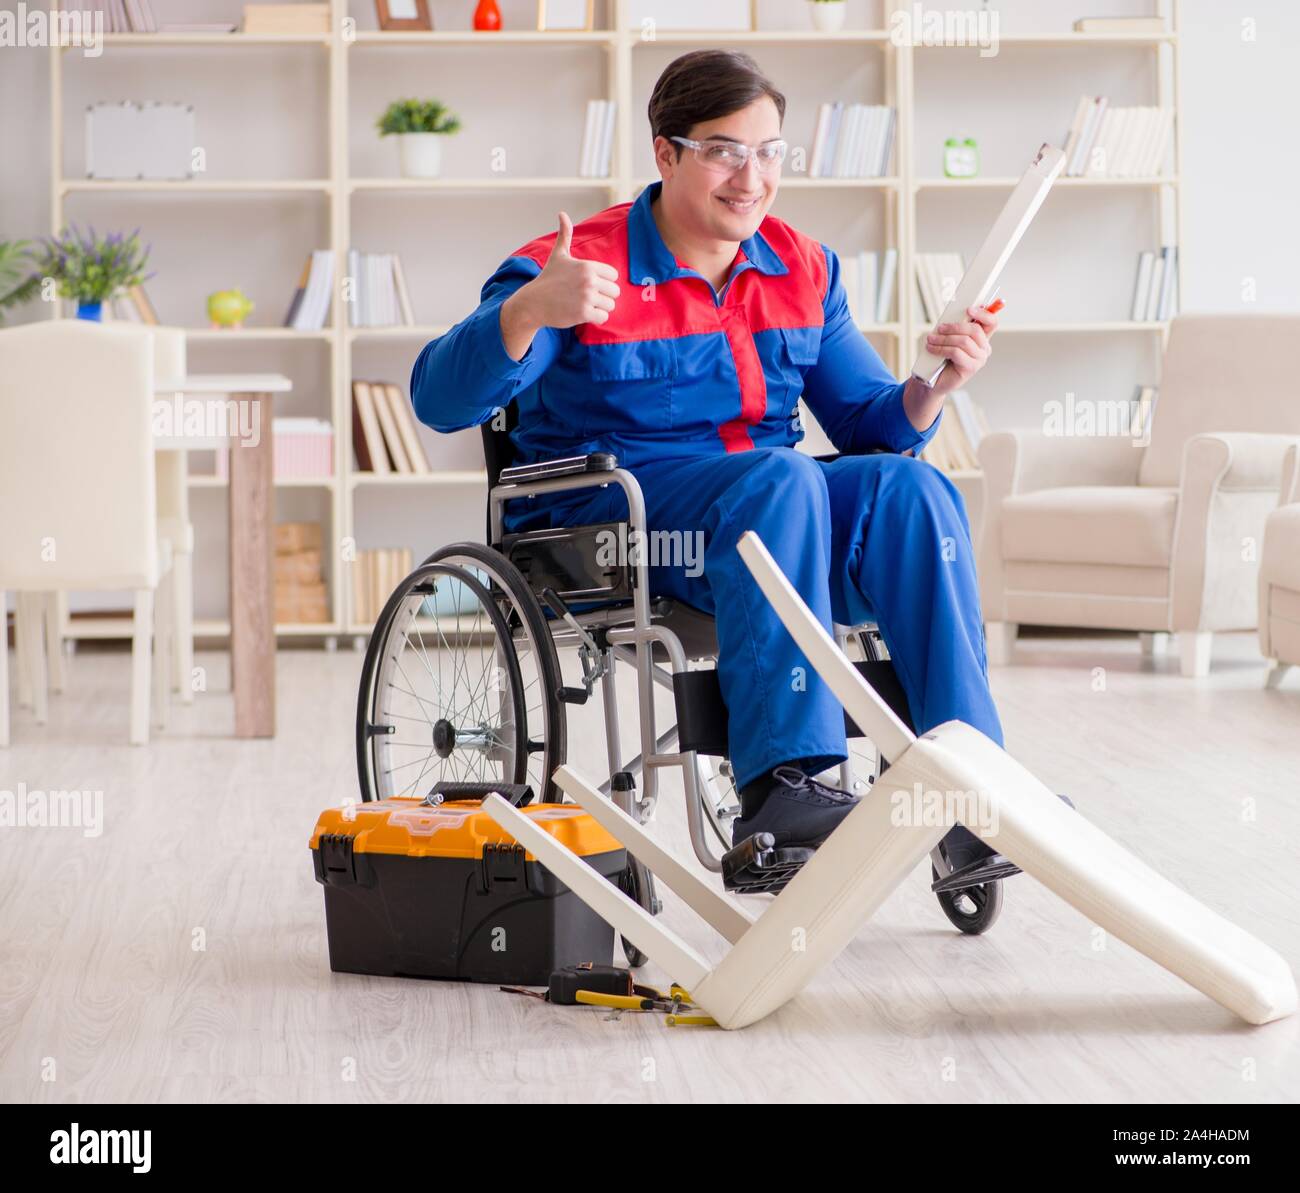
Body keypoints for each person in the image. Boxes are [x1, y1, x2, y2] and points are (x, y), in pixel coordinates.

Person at [411, 49, 1009, 887]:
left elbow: (872, 425)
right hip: (615, 530)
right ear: (667, 152)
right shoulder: (578, 263)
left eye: (770, 153)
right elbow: (439, 399)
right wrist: (526, 311)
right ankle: (782, 789)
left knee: (915, 490)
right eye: (727, 150)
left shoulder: (802, 268)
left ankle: (969, 785)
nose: (752, 177)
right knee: (784, 478)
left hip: (770, 519)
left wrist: (930, 389)